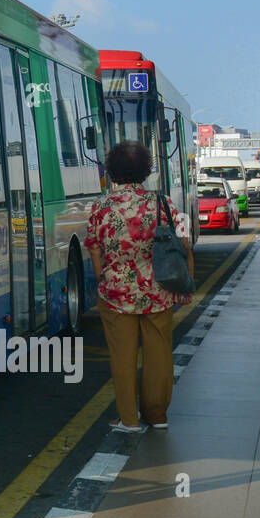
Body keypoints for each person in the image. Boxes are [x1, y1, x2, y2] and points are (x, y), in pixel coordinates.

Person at [84, 140, 193, 433]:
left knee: (123, 356)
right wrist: (184, 285)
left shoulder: (101, 206)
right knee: (159, 352)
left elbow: (94, 248)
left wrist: (102, 279)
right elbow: (182, 242)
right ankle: (157, 415)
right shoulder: (163, 202)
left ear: (112, 171)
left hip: (116, 293)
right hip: (159, 290)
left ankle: (129, 418)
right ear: (145, 170)